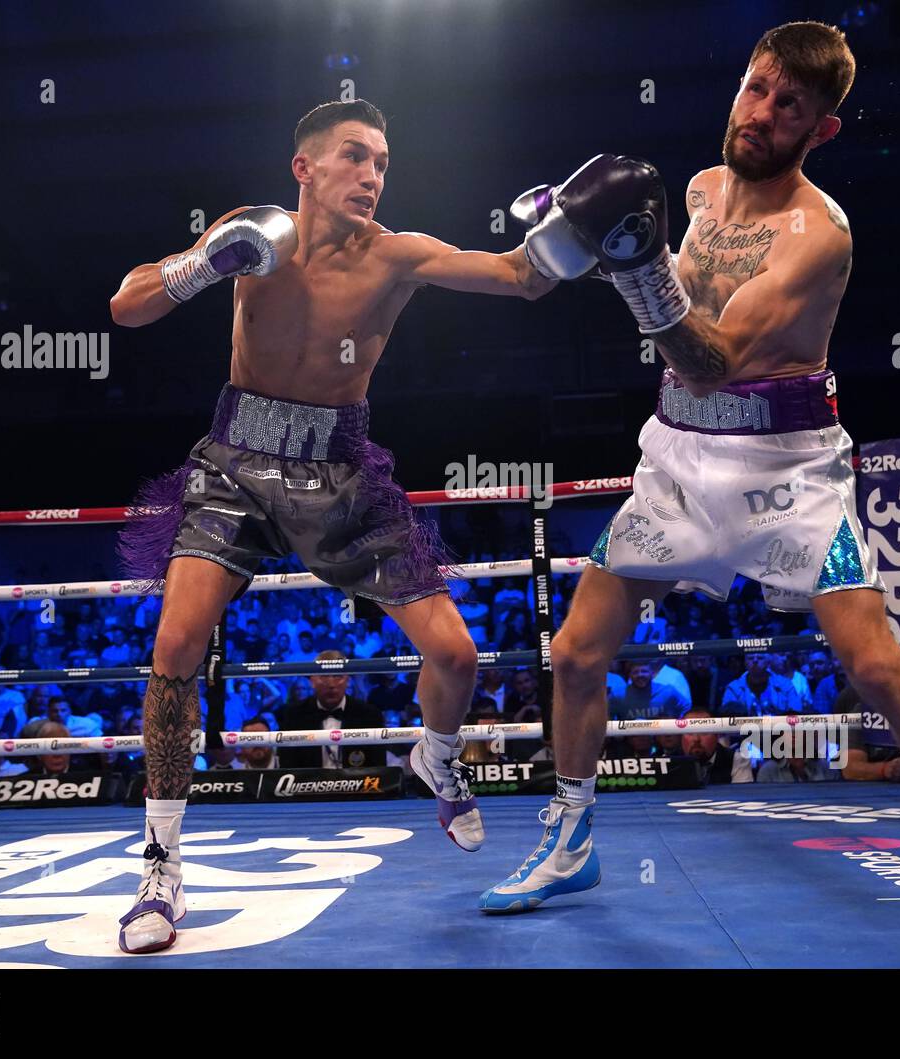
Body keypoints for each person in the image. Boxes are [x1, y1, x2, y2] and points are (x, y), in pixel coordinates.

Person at [480, 22, 900, 962]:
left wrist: (632, 264)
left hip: (787, 472)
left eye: (792, 107)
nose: (764, 114)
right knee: (576, 651)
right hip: (676, 462)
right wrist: (566, 235)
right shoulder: (698, 191)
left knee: (875, 667)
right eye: (757, 90)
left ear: (820, 130)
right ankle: (571, 836)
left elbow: (709, 359)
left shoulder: (818, 235)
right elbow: (592, 303)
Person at [109, 98, 557, 954]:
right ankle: (160, 865)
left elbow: (517, 276)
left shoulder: (396, 255)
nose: (374, 174)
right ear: (303, 169)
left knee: (457, 655)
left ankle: (437, 754)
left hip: (343, 471)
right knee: (175, 647)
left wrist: (568, 228)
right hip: (234, 461)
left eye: (384, 161)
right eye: (356, 156)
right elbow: (125, 306)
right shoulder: (252, 231)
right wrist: (201, 269)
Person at [277, 650, 386, 769]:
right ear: (312, 680)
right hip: (309, 784)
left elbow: (378, 768)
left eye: (337, 676)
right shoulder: (294, 715)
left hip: (356, 785)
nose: (331, 684)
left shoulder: (369, 714)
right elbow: (287, 766)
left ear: (347, 680)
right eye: (324, 676)